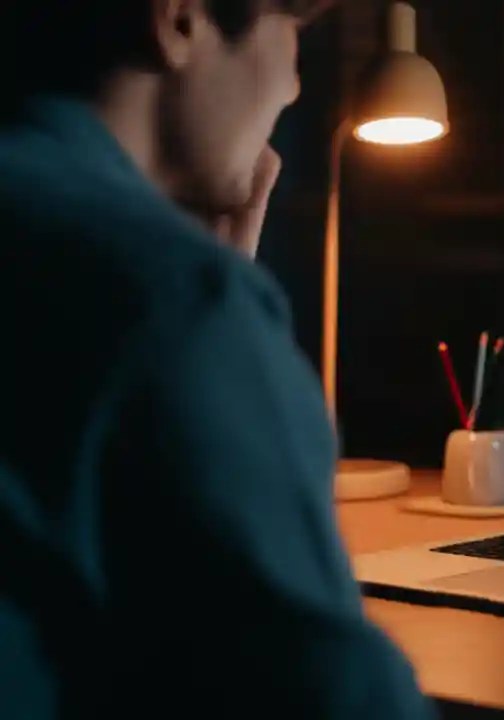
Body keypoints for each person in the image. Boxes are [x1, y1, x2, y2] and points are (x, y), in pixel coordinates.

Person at [0, 1, 433, 717]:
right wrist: (218, 312)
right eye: (289, 28)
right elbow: (338, 697)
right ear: (178, 20)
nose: (294, 86)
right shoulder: (168, 297)